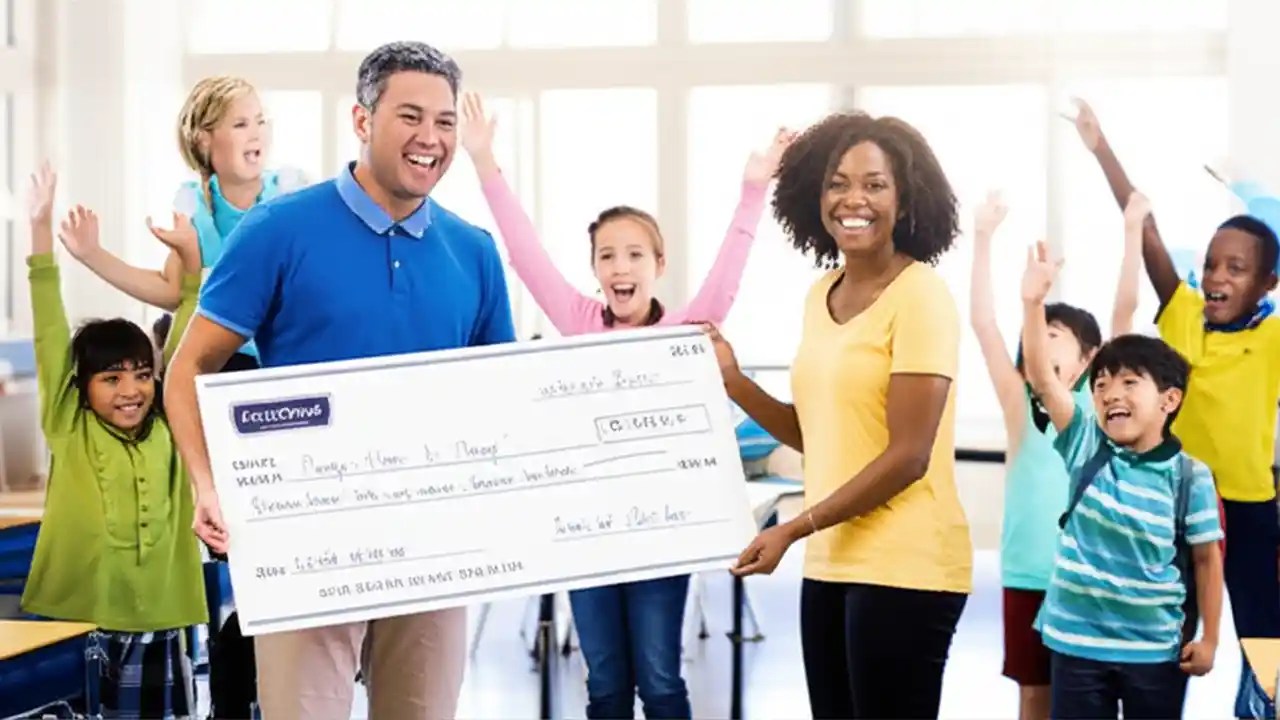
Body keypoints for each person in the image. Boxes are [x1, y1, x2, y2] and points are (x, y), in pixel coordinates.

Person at [164, 41, 516, 719]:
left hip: (435, 544)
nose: (431, 138)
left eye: (445, 121)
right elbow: (188, 370)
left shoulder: (473, 251)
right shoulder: (278, 230)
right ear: (361, 120)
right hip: (303, 542)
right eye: (410, 116)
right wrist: (208, 485)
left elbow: (497, 397)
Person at [459, 90, 792, 718]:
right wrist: (484, 162)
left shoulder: (687, 331)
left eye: (634, 254)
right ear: (593, 269)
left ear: (658, 265)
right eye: (607, 256)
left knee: (661, 681)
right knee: (605, 685)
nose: (621, 266)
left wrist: (754, 189)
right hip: (588, 538)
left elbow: (729, 270)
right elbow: (523, 253)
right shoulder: (577, 321)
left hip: (661, 536)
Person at [704, 110, 969, 719]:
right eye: (837, 182)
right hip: (831, 559)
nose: (854, 198)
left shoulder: (922, 295)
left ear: (905, 201)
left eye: (875, 184)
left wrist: (793, 528)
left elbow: (908, 455)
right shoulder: (818, 294)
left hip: (908, 564)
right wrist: (735, 382)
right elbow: (817, 436)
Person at [1071, 97, 1280, 719]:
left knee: (1264, 635)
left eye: (1236, 269)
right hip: (1173, 507)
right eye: (1211, 263)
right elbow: (1149, 230)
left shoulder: (1272, 337)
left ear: (1266, 284)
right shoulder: (1184, 312)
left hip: (1246, 509)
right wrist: (1099, 146)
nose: (1216, 275)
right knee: (1167, 635)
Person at [20, 163, 207, 719]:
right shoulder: (69, 424)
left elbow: (191, 334)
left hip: (159, 621)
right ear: (83, 386)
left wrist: (192, 264)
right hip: (83, 619)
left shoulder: (171, 423)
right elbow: (50, 330)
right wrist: (39, 231)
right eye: (111, 378)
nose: (131, 390)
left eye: (140, 374)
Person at [1020, 240, 1225, 719]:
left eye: (1129, 382)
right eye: (1102, 384)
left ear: (1169, 400)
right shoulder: (1085, 443)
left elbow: (1206, 562)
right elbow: (1044, 379)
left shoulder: (1190, 476)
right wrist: (1032, 303)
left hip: (1155, 651)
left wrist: (1210, 639)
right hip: (1076, 644)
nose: (1111, 393)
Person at [969, 189, 1146, 719]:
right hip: (1029, 574)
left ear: (1090, 359)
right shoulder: (1017, 400)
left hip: (1093, 577)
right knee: (1033, 696)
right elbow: (984, 324)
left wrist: (1133, 230)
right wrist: (981, 237)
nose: (1039, 342)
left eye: (1055, 335)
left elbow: (1125, 309)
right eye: (1037, 333)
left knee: (1091, 697)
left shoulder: (1101, 405)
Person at [60, 75, 308, 372]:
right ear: (204, 138)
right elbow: (173, 291)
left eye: (261, 121)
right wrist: (92, 254)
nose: (256, 134)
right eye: (241, 125)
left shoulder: (290, 195)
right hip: (219, 362)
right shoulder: (195, 210)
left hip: (287, 359)